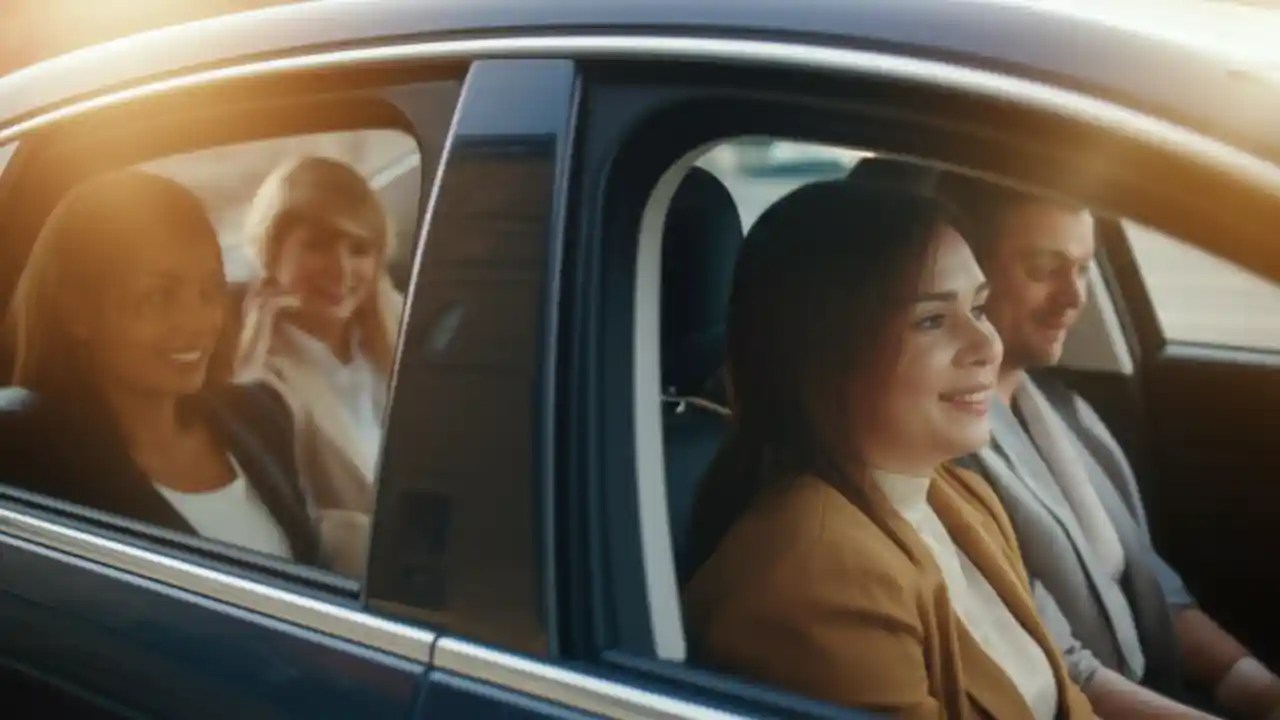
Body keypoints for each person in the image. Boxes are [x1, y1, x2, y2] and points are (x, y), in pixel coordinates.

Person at [682, 181, 1092, 718]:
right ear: (827, 352)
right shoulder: (812, 573)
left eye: (980, 307)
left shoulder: (962, 495)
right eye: (932, 320)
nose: (986, 345)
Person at [940, 173, 1280, 720]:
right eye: (1044, 269)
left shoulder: (1064, 409)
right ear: (968, 272)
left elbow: (1148, 582)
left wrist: (1251, 682)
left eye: (1082, 268)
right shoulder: (944, 457)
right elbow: (1059, 672)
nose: (1074, 298)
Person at [1, 170, 318, 564]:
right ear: (76, 311)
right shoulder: (26, 462)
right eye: (157, 297)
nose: (198, 322)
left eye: (209, 290)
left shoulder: (261, 416)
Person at [235, 156, 404, 576]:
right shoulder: (260, 378)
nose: (342, 270)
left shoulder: (401, 330)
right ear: (272, 253)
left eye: (359, 249)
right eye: (317, 245)